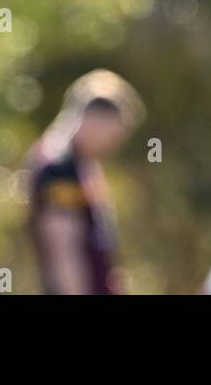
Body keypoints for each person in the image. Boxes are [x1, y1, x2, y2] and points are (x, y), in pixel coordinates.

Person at [26, 69, 144, 294]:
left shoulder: (79, 165)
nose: (113, 146)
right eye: (114, 136)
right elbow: (64, 252)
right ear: (95, 121)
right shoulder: (60, 167)